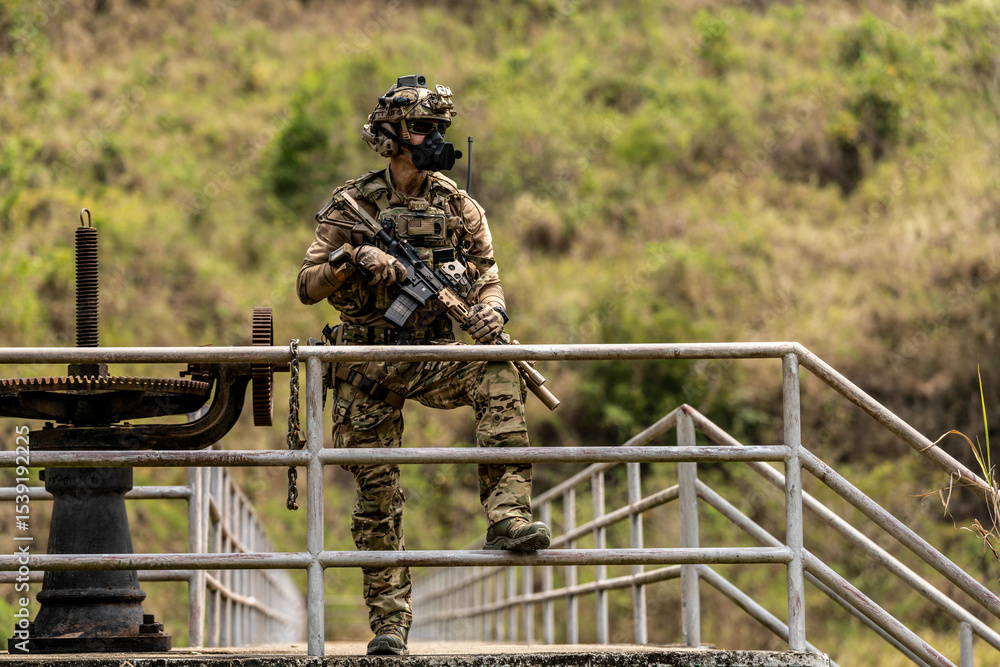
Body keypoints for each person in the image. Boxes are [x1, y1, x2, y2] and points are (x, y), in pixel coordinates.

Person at [296, 74, 550, 656]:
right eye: (421, 127)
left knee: (498, 369)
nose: (433, 137)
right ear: (390, 136)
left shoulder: (459, 205)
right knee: (376, 499)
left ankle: (507, 517)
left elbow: (488, 275)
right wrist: (353, 259)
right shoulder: (352, 205)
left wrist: (489, 313)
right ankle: (389, 626)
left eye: (440, 127)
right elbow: (307, 286)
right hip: (367, 362)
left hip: (435, 354)